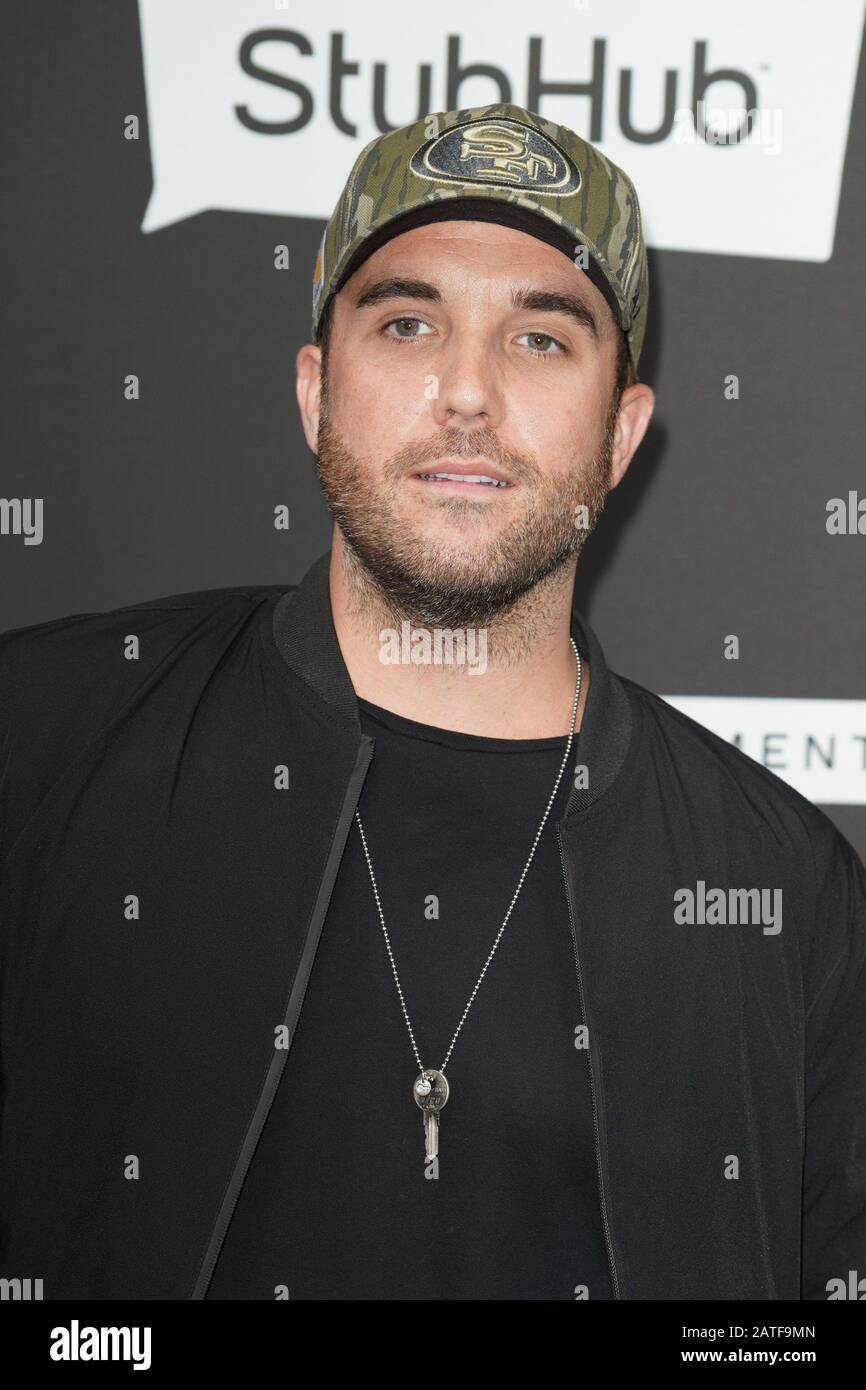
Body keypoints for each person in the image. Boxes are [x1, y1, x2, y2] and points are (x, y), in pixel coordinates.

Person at [0, 102, 863, 1301]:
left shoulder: (780, 892)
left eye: (541, 339)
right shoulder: (42, 742)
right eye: (407, 323)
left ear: (620, 436)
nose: (465, 390)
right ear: (314, 394)